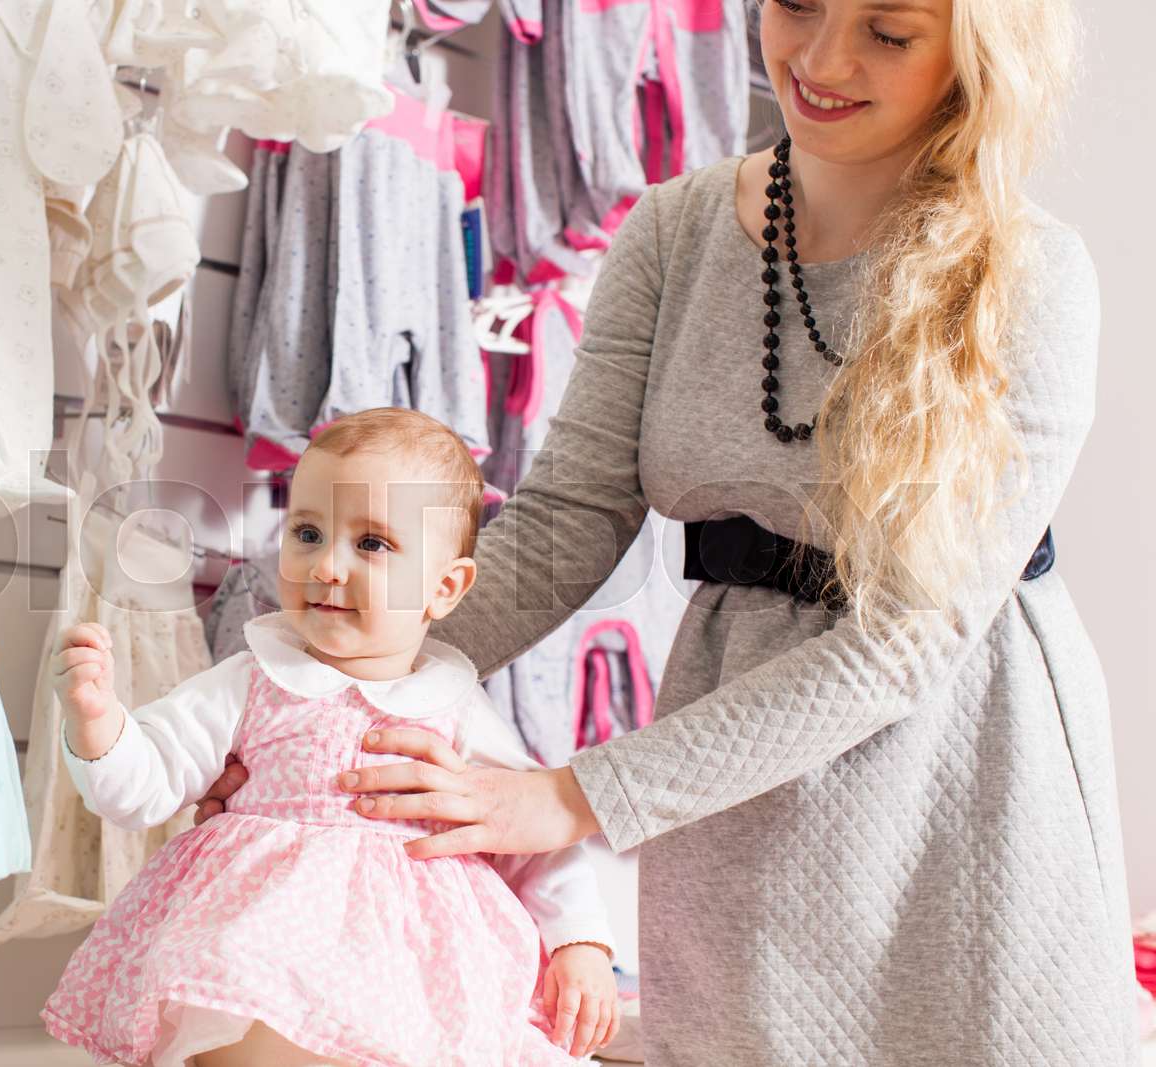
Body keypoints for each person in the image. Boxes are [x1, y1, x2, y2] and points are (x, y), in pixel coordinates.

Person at [197, 0, 1139, 1063]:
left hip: (960, 764)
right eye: (796, 5)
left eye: (889, 30)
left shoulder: (1031, 274)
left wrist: (572, 795)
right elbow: (564, 521)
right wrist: (311, 708)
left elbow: (908, 638)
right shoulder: (676, 228)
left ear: (974, 56)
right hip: (729, 744)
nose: (822, 59)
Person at [42, 408, 621, 1067]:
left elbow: (531, 834)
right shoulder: (253, 680)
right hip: (263, 949)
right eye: (308, 533)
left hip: (414, 970)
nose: (326, 565)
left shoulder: (454, 707)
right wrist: (97, 723)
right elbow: (141, 787)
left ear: (445, 585)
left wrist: (581, 945)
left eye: (371, 543)